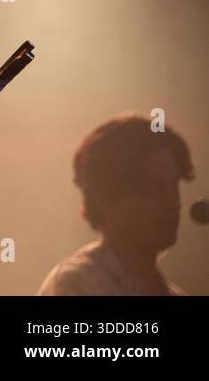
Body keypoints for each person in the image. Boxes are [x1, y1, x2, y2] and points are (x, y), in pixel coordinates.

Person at [37, 112, 194, 295]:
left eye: (174, 185)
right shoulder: (79, 283)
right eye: (153, 188)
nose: (173, 203)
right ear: (104, 196)